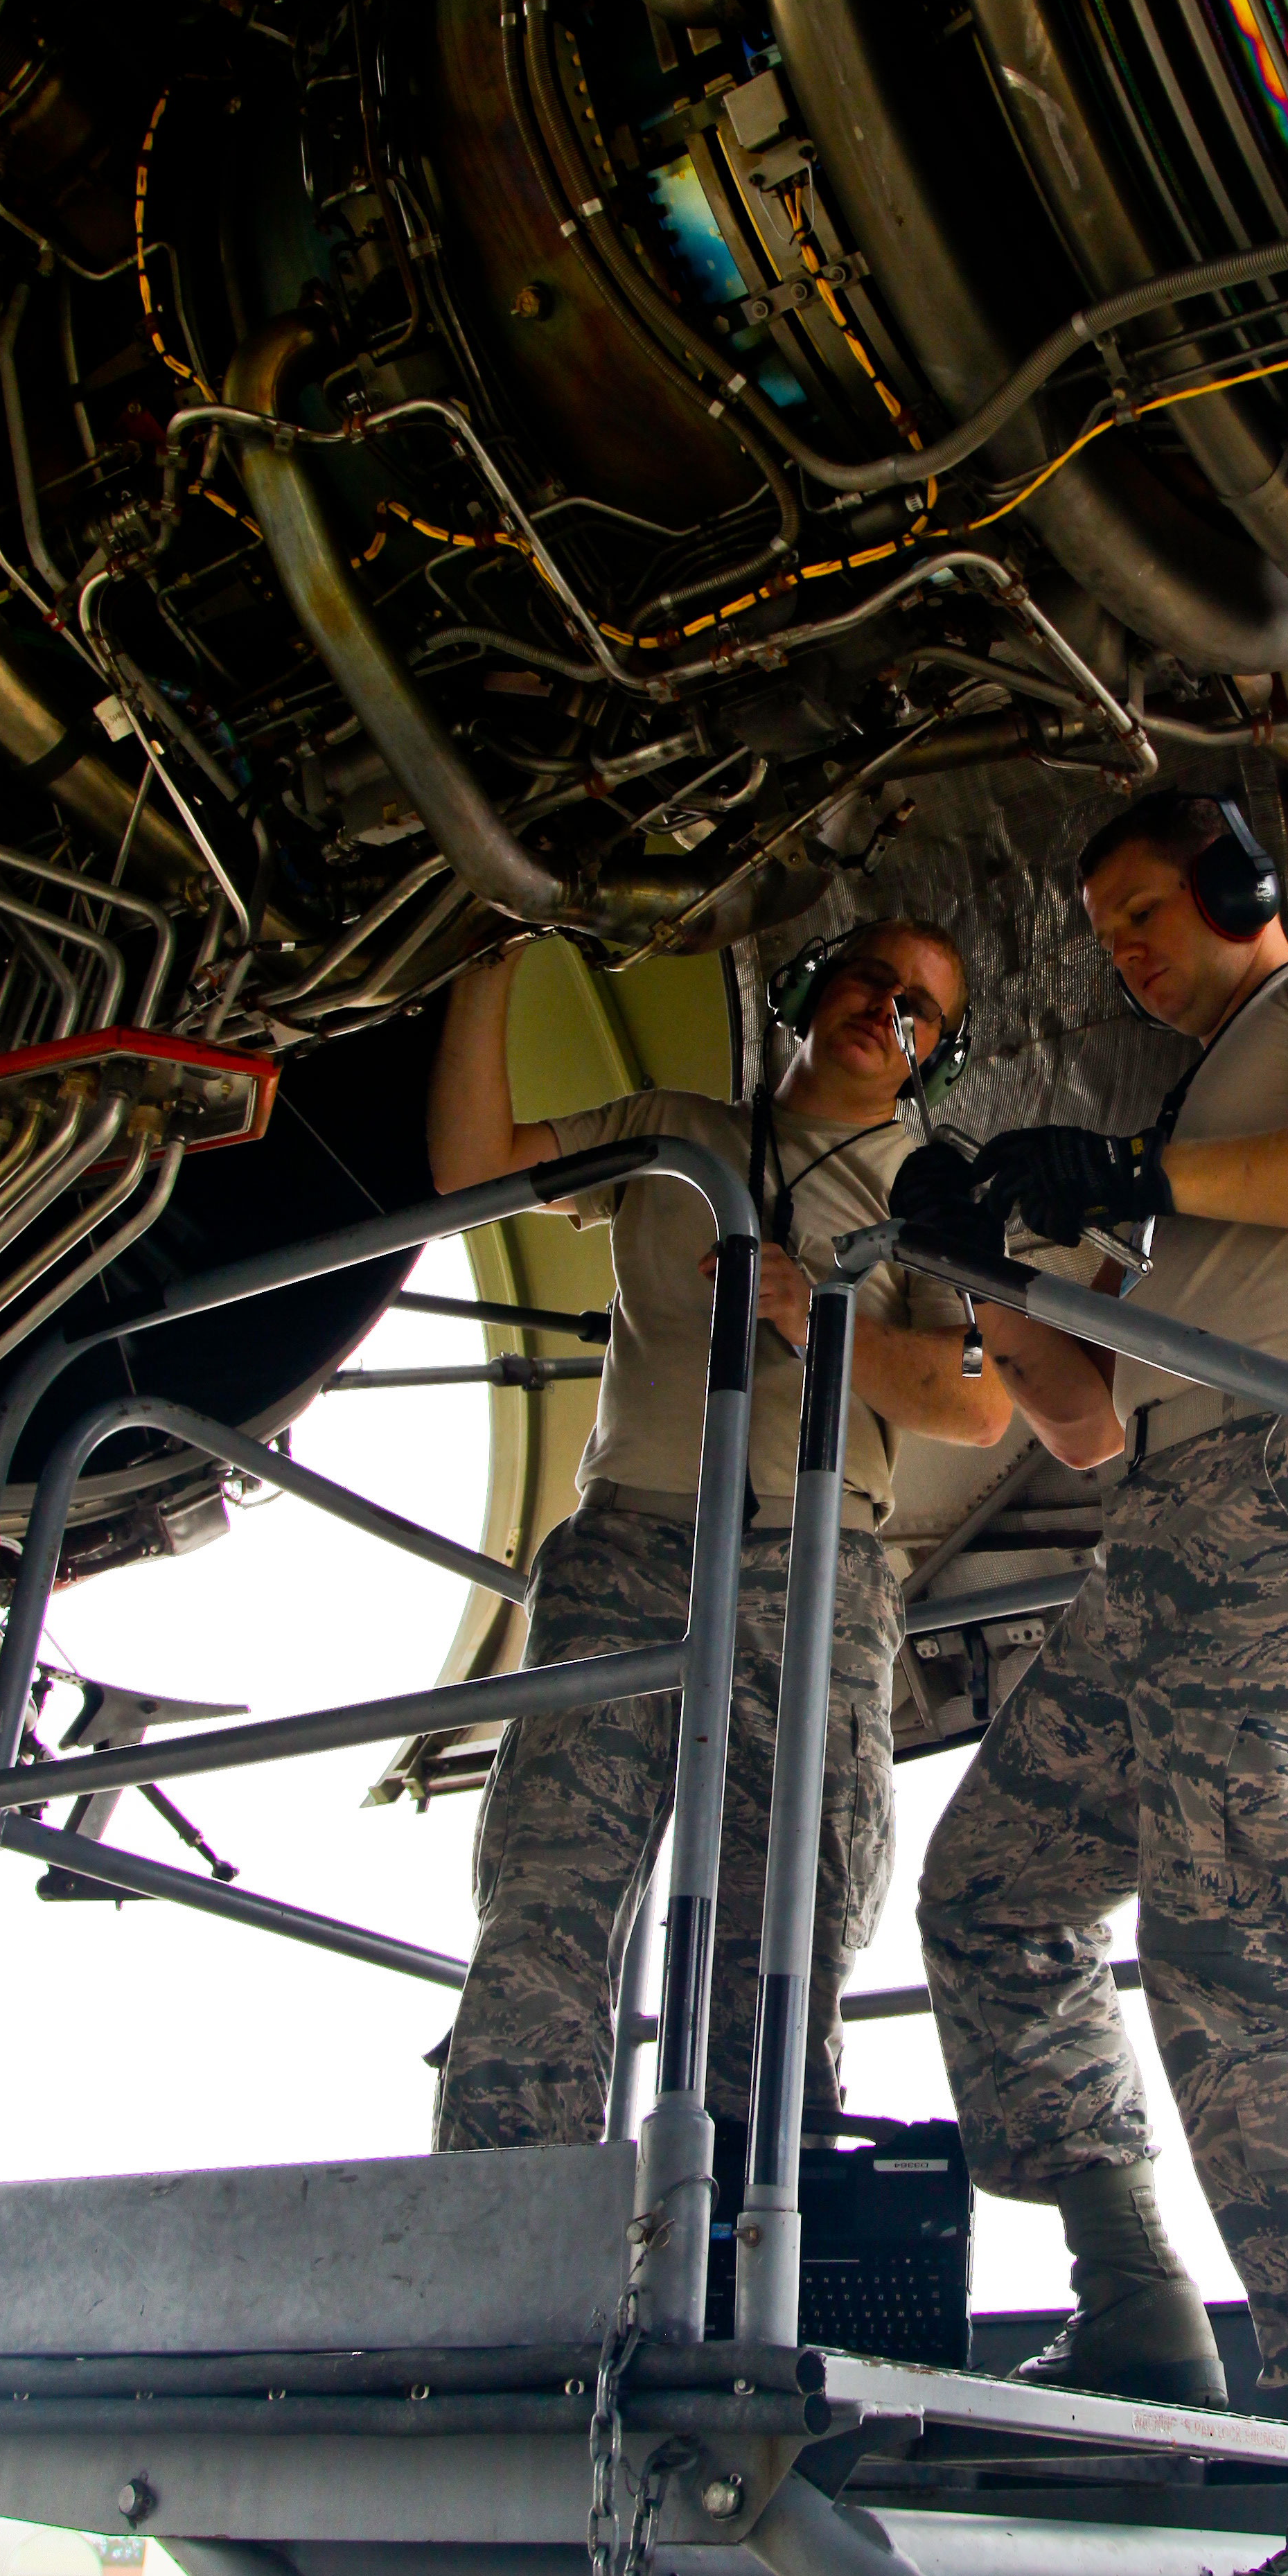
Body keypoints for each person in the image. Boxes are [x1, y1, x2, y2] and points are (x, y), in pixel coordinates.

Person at [894, 789, 1288, 2576]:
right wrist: (984, 1267)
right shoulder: (1194, 1160)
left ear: (1237, 886)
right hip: (1164, 1525)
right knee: (993, 1888)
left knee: (1278, 1969)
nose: (1128, 953)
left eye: (1145, 910)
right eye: (1107, 930)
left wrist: (1142, 1170)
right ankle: (1139, 2299)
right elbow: (1077, 1418)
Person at [425, 920, 1009, 2151]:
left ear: (937, 1058)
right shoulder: (669, 1130)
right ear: (809, 985)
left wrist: (820, 1313)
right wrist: (487, 962)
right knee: (548, 1887)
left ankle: (754, 2213)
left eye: (919, 1009)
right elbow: (476, 1168)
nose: (885, 1010)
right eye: (870, 979)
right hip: (628, 1549)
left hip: (815, 1572)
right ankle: (502, 2203)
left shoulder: (932, 1196)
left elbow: (975, 1399)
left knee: (786, 1917)